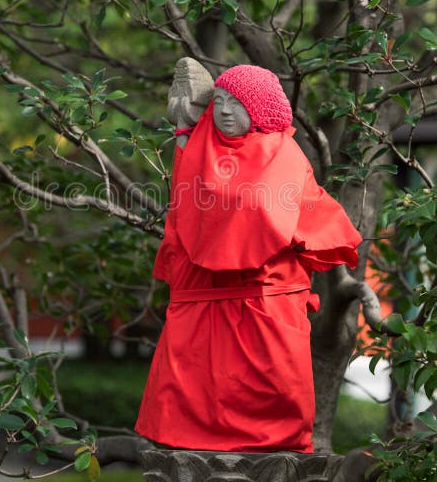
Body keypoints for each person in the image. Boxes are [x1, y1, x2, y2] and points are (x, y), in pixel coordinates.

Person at [135, 64, 361, 453]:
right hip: (203, 295)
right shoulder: (200, 144)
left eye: (237, 103)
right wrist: (187, 123)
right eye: (219, 102)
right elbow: (185, 199)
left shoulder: (283, 152)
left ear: (261, 109)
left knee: (273, 393)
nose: (225, 111)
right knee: (194, 387)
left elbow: (293, 211)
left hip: (264, 297)